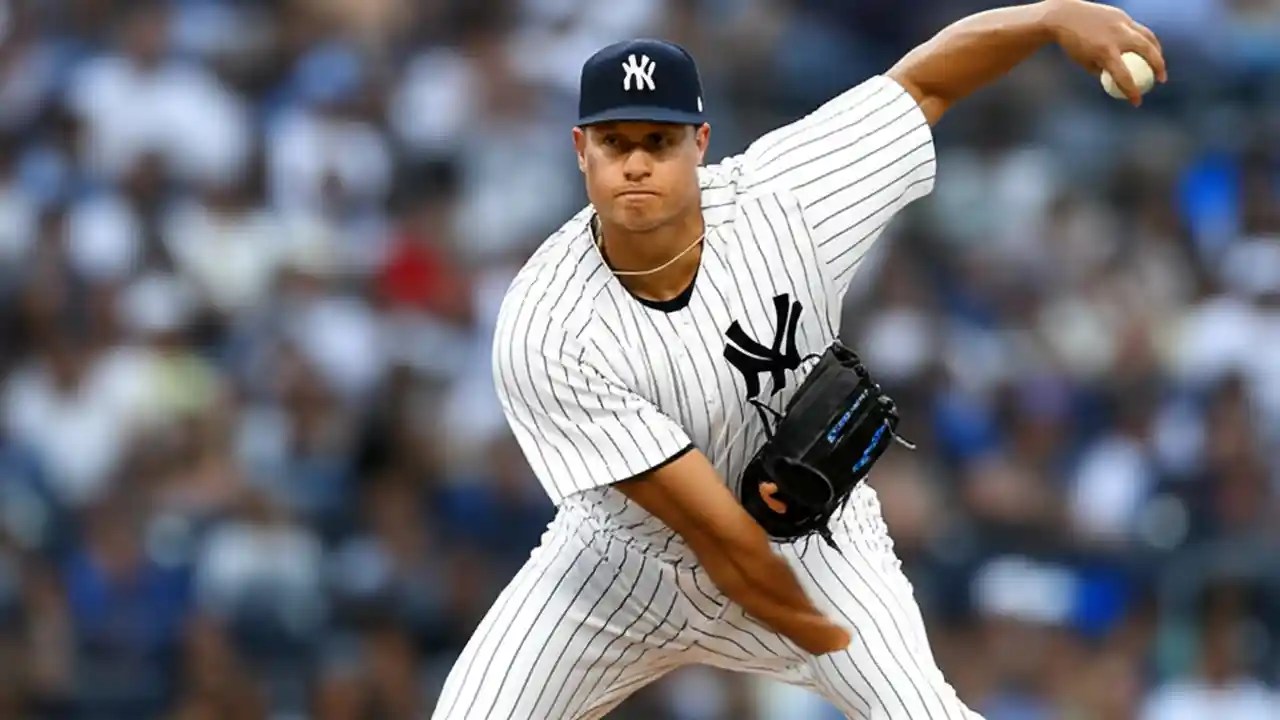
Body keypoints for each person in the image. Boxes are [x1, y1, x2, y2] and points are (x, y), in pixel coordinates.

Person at [433, 1, 1167, 718]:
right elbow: (717, 533)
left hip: (814, 547)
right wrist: (827, 640)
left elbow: (923, 84)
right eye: (614, 141)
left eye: (658, 141)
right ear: (580, 150)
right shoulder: (547, 324)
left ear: (700, 144)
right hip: (619, 569)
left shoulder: (786, 202)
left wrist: (1047, 17)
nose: (635, 164)